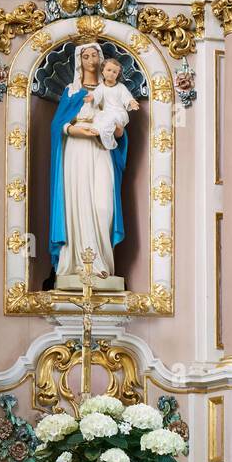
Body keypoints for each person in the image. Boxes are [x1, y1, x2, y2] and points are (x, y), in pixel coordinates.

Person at [50, 44, 128, 283]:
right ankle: (76, 264)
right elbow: (57, 125)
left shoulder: (111, 90)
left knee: (103, 206)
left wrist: (116, 131)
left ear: (103, 62)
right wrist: (73, 130)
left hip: (102, 149)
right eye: (85, 55)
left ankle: (101, 261)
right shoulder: (71, 90)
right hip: (77, 152)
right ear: (79, 60)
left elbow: (121, 128)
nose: (91, 59)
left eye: (95, 55)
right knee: (78, 202)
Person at [77, 55, 139, 150]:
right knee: (99, 117)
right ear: (103, 71)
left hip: (119, 113)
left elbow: (127, 96)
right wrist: (91, 97)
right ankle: (99, 131)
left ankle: (108, 141)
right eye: (109, 70)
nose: (111, 73)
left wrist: (132, 102)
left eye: (114, 72)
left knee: (111, 120)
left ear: (118, 74)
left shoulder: (121, 87)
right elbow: (96, 94)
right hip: (107, 111)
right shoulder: (101, 86)